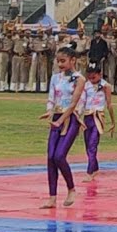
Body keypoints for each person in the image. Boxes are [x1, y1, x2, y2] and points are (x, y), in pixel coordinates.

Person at [41, 47, 86, 208]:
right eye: (58, 61)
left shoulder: (79, 79)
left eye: (63, 61)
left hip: (70, 119)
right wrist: (49, 111)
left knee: (60, 156)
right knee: (50, 157)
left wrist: (61, 120)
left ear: (72, 60)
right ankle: (52, 197)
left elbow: (74, 103)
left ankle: (71, 188)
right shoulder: (55, 78)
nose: (60, 64)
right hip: (56, 117)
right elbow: (52, 98)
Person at [75, 62, 115, 182]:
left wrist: (113, 121)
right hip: (87, 117)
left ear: (100, 74)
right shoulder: (86, 86)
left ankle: (89, 172)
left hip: (98, 116)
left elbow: (109, 104)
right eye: (89, 77)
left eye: (94, 77)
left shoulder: (106, 86)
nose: (91, 79)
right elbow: (82, 102)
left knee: (92, 145)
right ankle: (95, 167)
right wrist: (78, 116)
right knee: (88, 146)